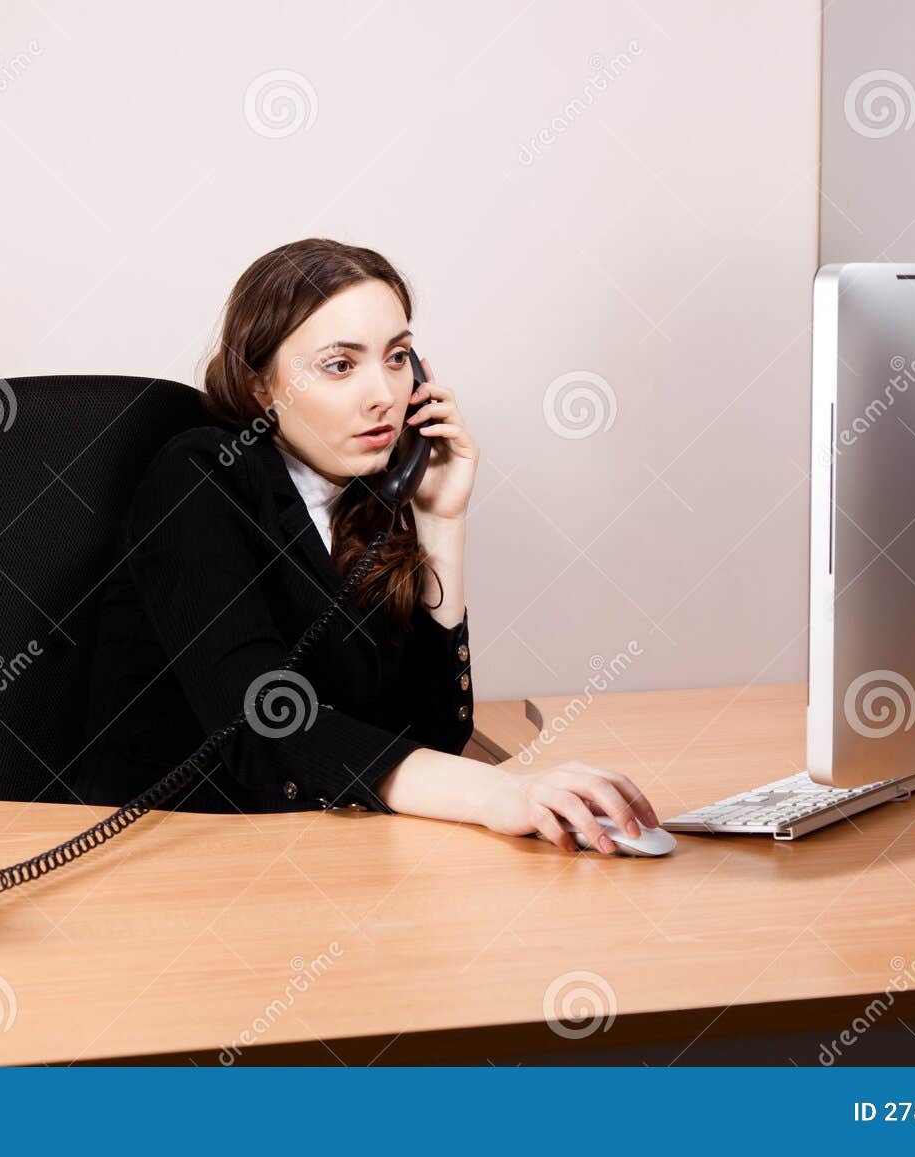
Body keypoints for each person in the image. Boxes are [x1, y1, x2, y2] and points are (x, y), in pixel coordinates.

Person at [76, 238, 659, 853]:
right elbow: (262, 724)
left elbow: (433, 733)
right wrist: (496, 794)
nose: (384, 394)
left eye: (398, 357)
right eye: (340, 365)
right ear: (258, 389)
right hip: (174, 857)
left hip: (316, 852)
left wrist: (440, 521)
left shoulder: (362, 498)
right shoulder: (199, 480)